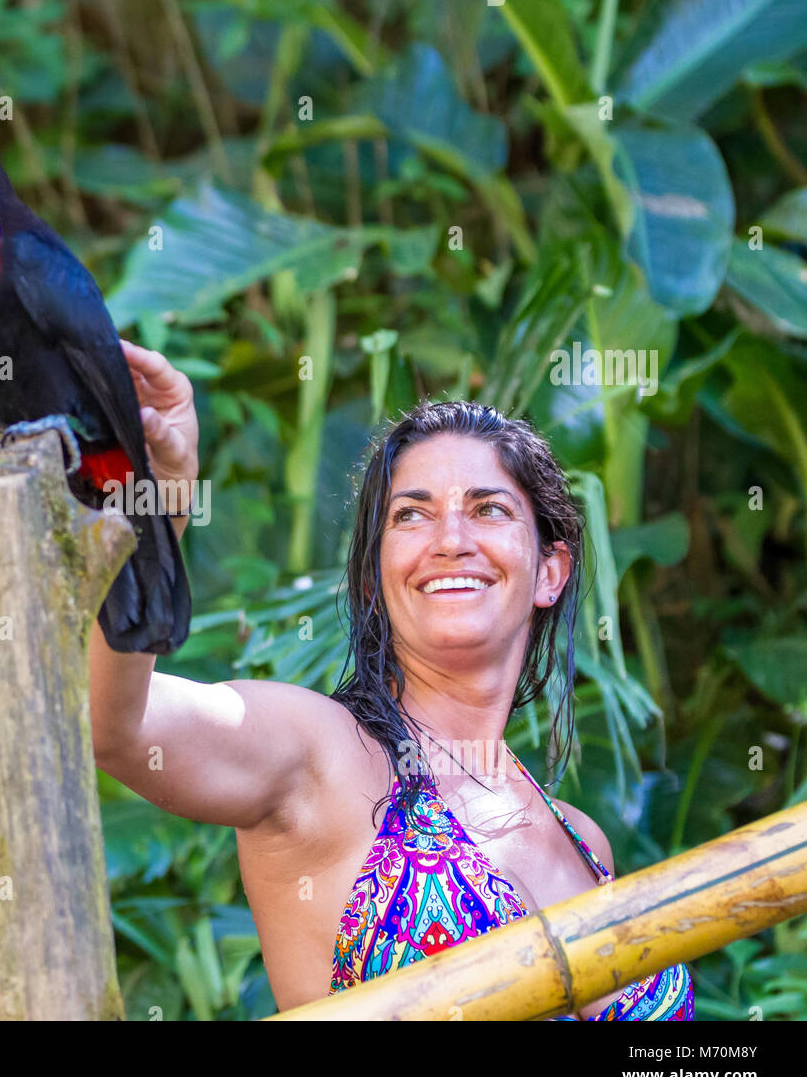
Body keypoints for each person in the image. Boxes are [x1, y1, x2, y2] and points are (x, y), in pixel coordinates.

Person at [89, 340, 694, 1020]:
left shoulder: (583, 838)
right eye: (412, 513)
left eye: (489, 508)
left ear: (550, 570)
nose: (450, 538)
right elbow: (113, 724)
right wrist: (157, 501)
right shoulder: (324, 755)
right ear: (378, 573)